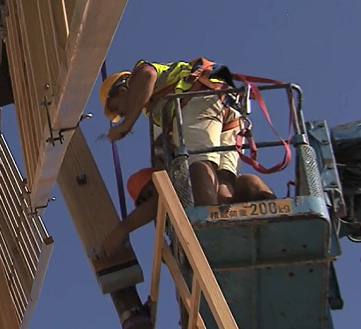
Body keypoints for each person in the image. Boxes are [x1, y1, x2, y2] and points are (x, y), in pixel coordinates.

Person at [101, 58, 245, 207]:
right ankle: (226, 216)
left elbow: (147, 75)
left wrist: (125, 125)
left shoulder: (138, 76)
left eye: (116, 107)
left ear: (121, 90)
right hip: (226, 104)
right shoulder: (153, 107)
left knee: (198, 161)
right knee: (224, 174)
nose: (121, 113)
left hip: (199, 99)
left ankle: (207, 217)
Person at [98, 167, 277, 260]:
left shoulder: (183, 186)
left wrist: (121, 230)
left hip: (234, 226)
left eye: (150, 189)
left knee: (249, 181)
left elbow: (159, 200)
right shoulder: (166, 215)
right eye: (145, 198)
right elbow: (157, 204)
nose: (151, 196)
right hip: (210, 241)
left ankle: (277, 221)